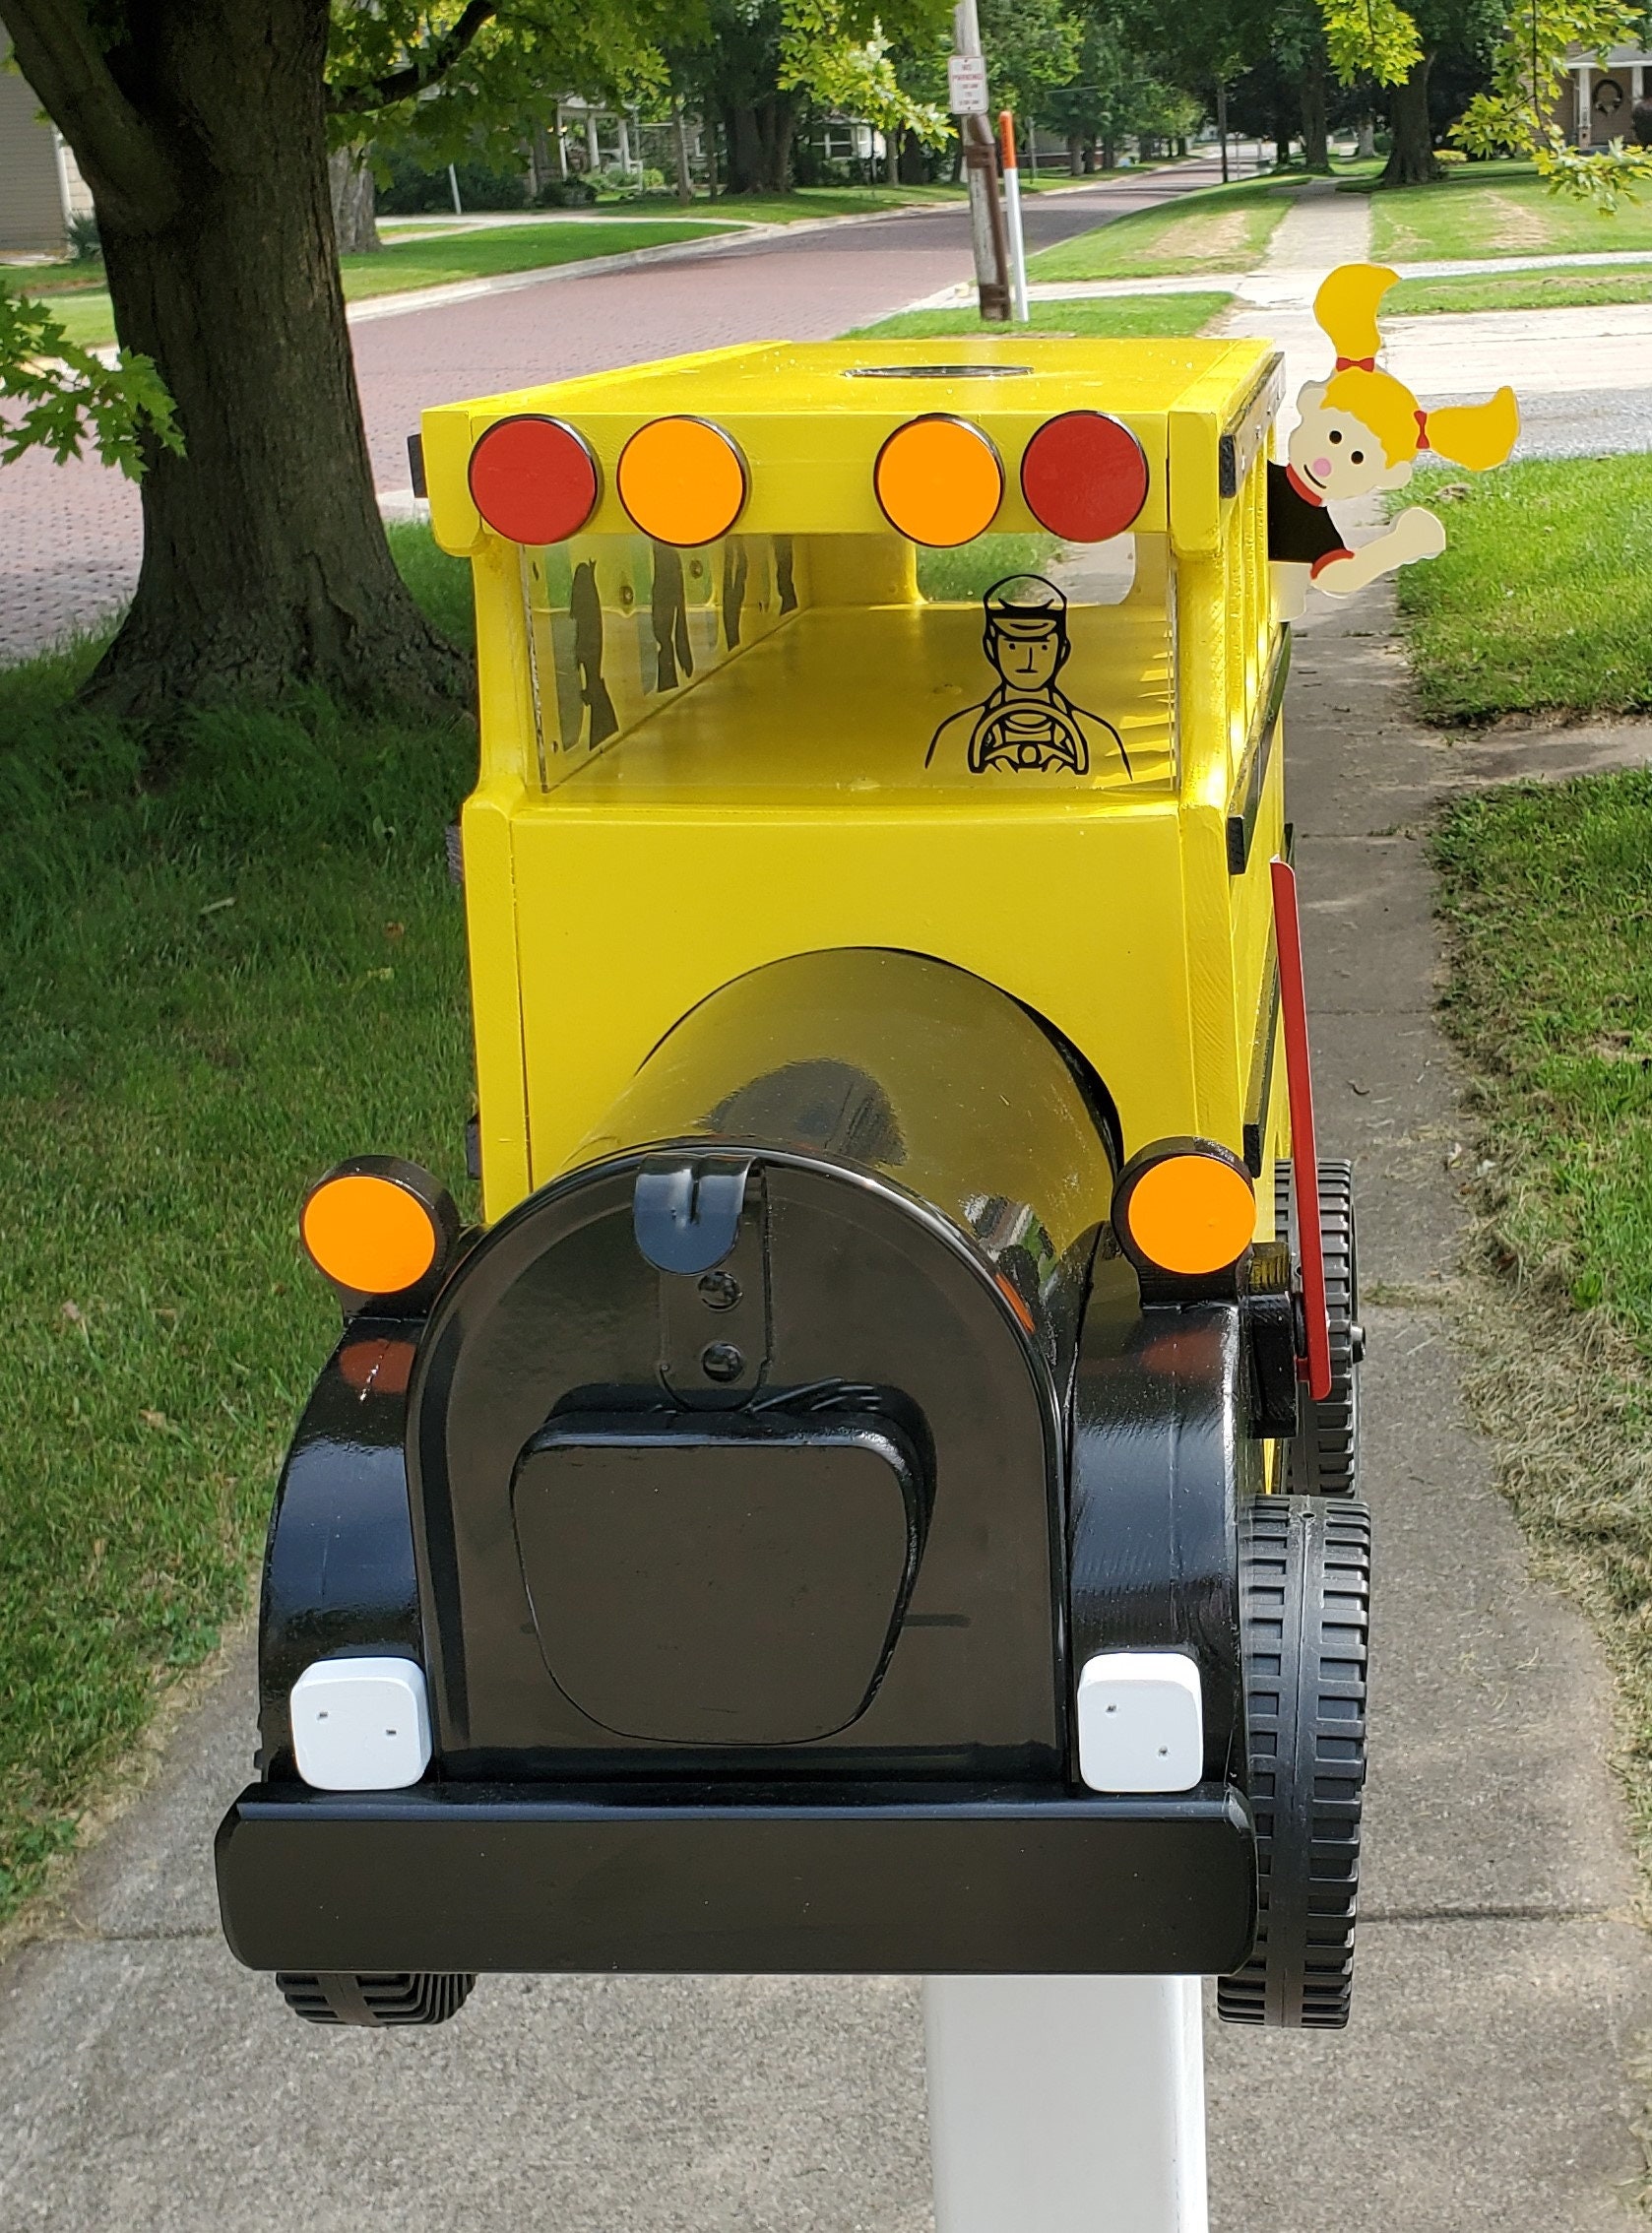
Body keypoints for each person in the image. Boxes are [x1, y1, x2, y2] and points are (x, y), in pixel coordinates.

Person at [1269, 262, 1519, 621]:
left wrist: (1398, 547)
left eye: (1357, 457)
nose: (1327, 463)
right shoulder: (1261, 477)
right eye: (1334, 436)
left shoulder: (1311, 528)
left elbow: (1339, 576)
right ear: (1312, 404)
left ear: (1389, 475)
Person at [925, 575, 1130, 778]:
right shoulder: (953, 734)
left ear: (1062, 651)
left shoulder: (1099, 733)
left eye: (1043, 647)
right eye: (1013, 646)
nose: (1029, 659)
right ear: (991, 648)